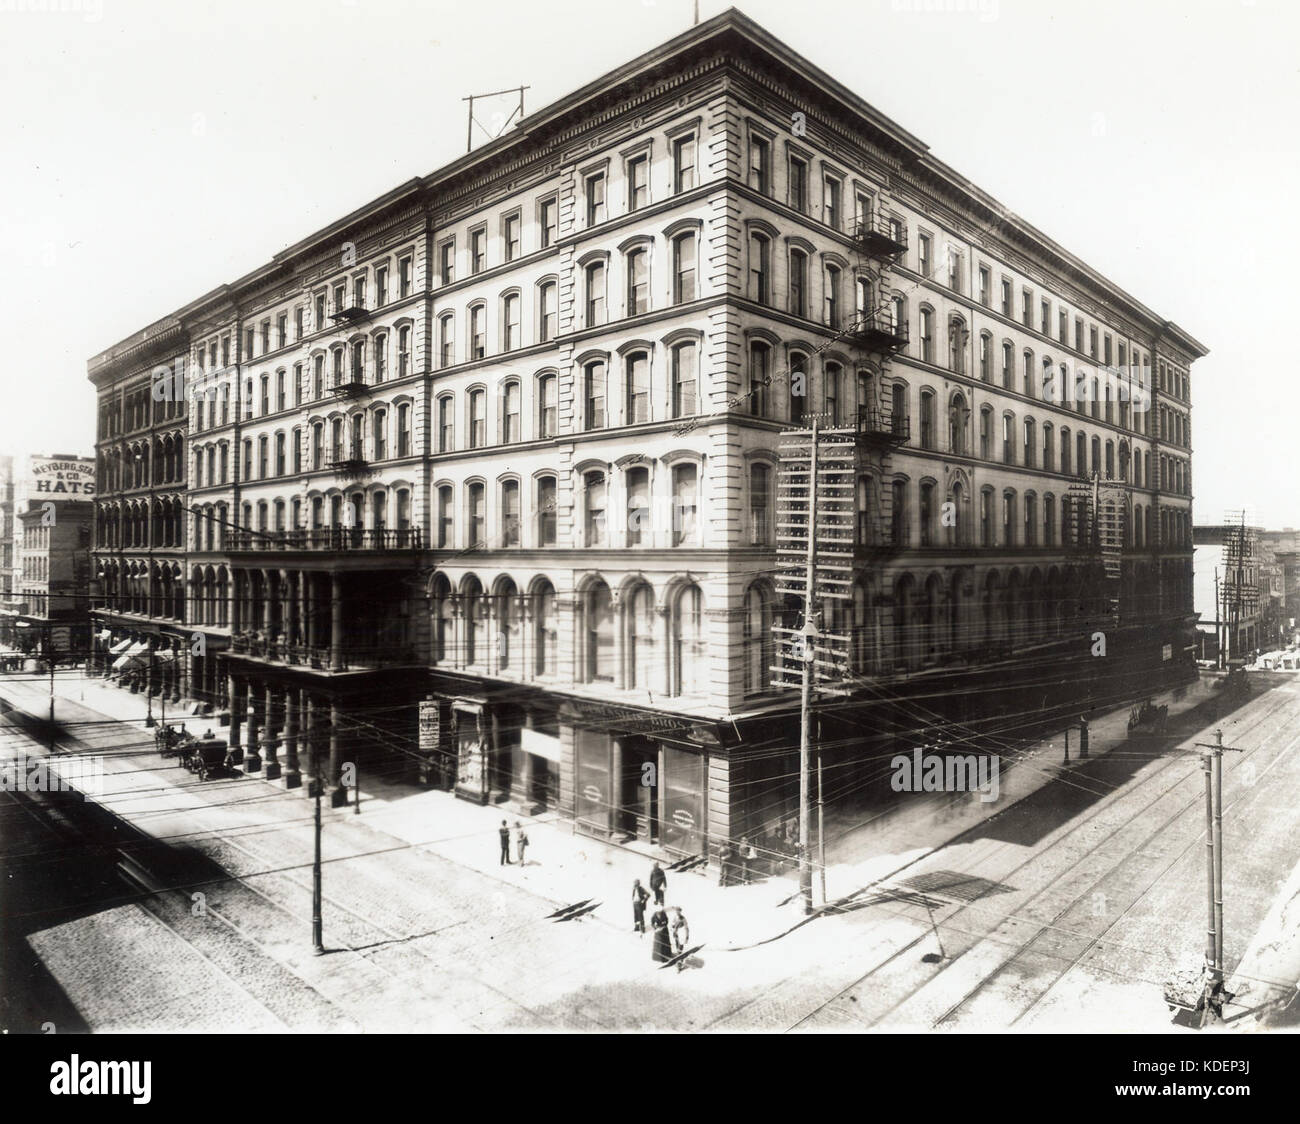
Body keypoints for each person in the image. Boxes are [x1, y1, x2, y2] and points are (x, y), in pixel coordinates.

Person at [670, 906, 690, 970]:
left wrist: (686, 937)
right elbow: (672, 925)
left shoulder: (683, 918)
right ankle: (679, 961)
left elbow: (686, 928)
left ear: (680, 911)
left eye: (678, 911)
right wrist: (673, 929)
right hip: (676, 934)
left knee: (680, 949)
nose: (677, 912)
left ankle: (679, 964)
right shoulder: (675, 917)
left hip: (681, 934)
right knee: (677, 948)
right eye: (676, 911)